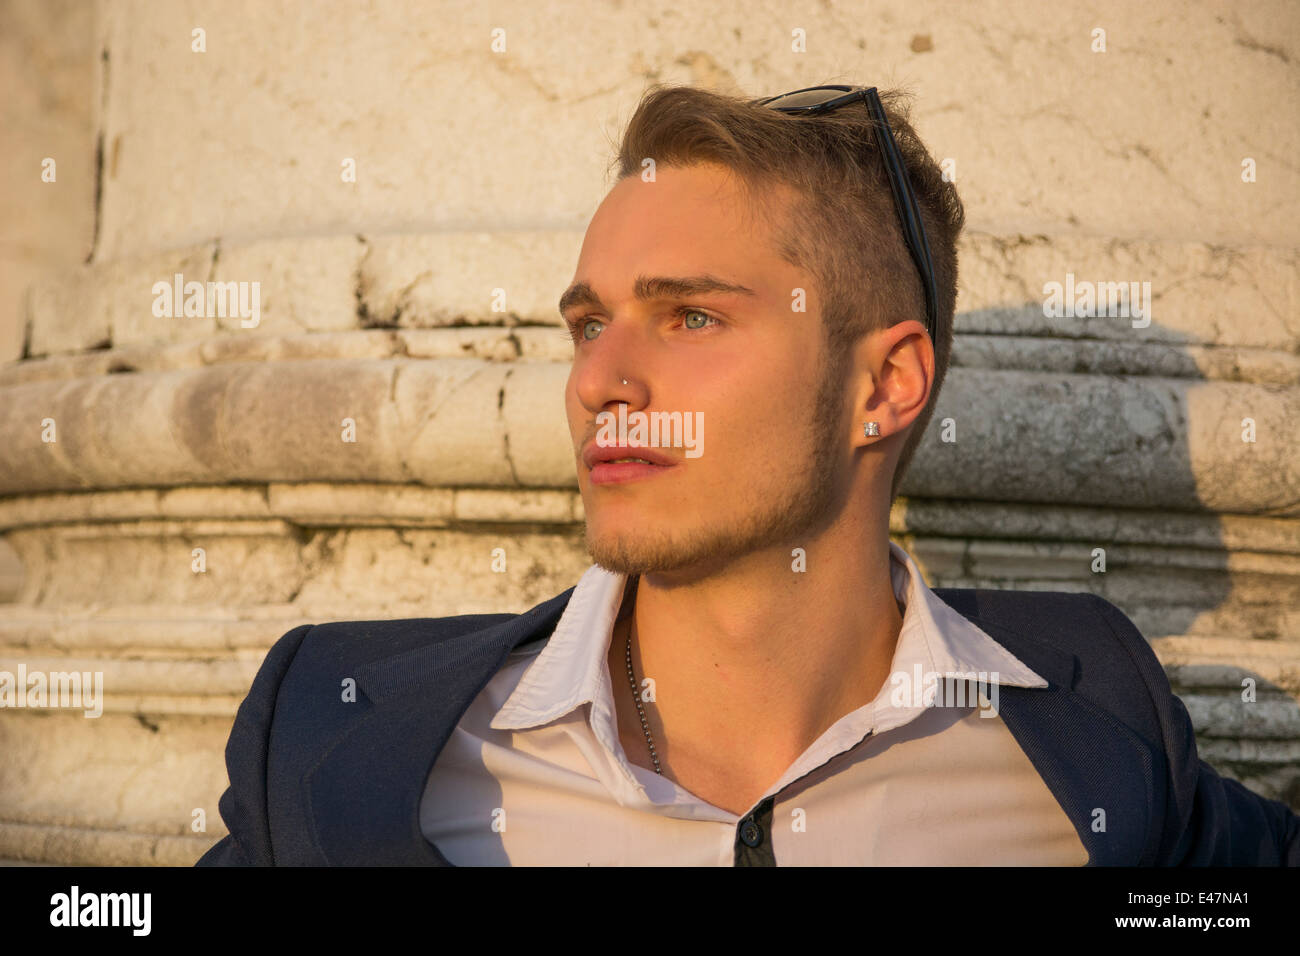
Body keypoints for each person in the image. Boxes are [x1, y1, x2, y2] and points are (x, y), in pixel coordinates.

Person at [197, 83, 1299, 866]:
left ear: (886, 385)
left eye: (689, 315)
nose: (599, 381)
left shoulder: (1094, 716)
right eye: (589, 323)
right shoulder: (342, 738)